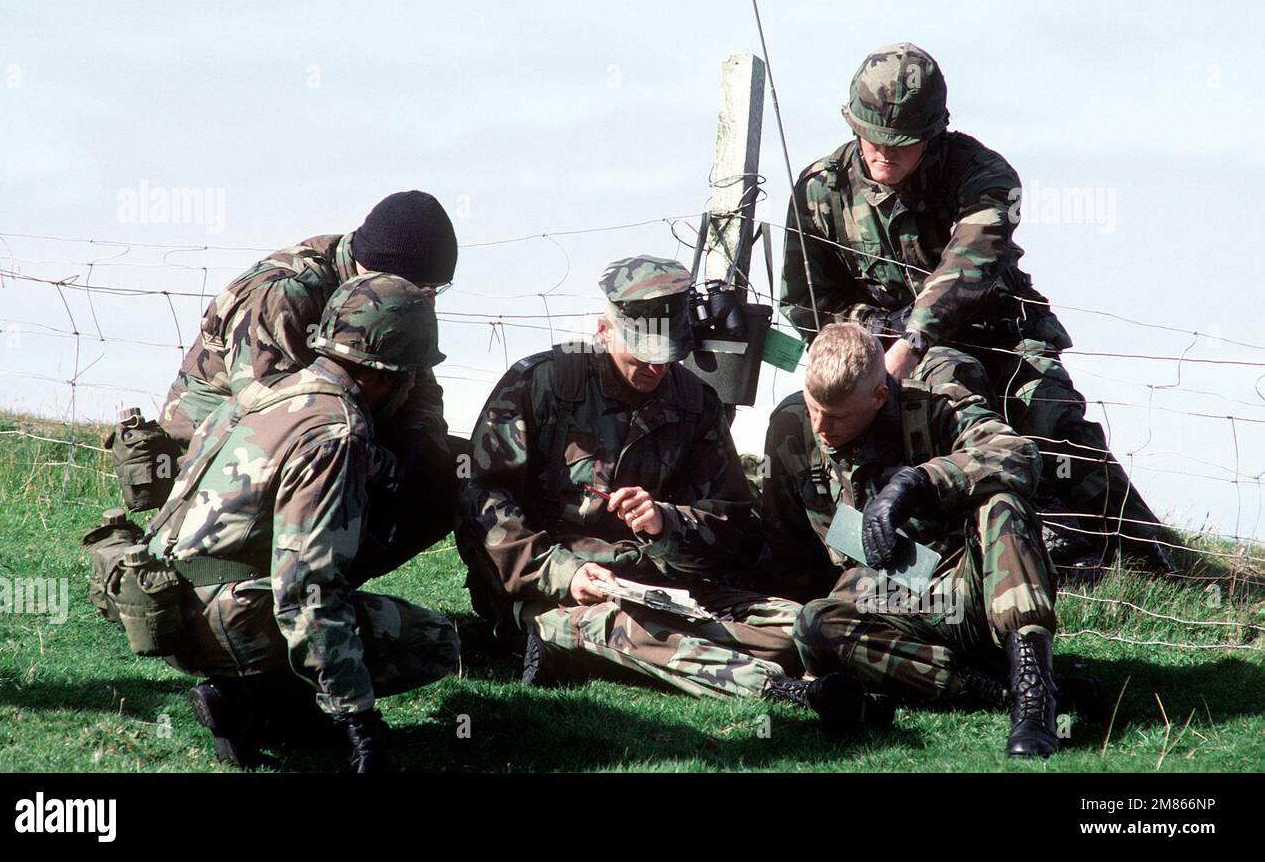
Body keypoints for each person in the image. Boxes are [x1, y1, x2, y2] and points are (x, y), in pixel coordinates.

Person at [779, 42, 1174, 574]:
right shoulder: (819, 191)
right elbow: (809, 305)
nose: (883, 155)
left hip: (1002, 335)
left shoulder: (983, 174)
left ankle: (1152, 559)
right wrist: (873, 336)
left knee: (1052, 417)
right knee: (930, 419)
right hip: (889, 353)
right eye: (871, 139)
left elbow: (970, 266)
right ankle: (956, 558)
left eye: (902, 143)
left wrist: (914, 338)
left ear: (933, 133)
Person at [455, 255, 890, 728]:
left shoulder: (695, 401)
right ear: (603, 329)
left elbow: (729, 521)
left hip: (659, 583)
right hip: (551, 591)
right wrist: (566, 573)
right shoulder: (542, 383)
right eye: (640, 351)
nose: (653, 367)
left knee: (797, 628)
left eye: (666, 354)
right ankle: (791, 693)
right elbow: (481, 499)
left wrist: (666, 522)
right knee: (628, 629)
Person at [129, 274, 460, 770]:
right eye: (411, 374)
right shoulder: (336, 431)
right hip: (228, 621)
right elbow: (307, 587)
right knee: (436, 643)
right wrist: (360, 723)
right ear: (387, 372)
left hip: (163, 609)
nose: (413, 386)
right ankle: (255, 702)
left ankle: (247, 701)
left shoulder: (265, 391)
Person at [770, 322, 1061, 756]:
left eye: (838, 416)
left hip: (969, 593)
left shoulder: (932, 406)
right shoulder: (792, 428)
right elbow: (785, 543)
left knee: (1002, 504)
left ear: (879, 396)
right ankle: (983, 689)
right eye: (814, 408)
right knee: (814, 623)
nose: (822, 426)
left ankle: (1035, 699)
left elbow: (1019, 456)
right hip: (889, 606)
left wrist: (920, 481)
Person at [159, 190, 461, 582]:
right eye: (423, 290)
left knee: (453, 469)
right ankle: (289, 590)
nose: (429, 303)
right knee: (355, 466)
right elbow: (272, 414)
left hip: (330, 433)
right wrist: (382, 463)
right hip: (224, 459)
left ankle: (328, 585)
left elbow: (415, 377)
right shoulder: (285, 292)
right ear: (382, 270)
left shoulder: (388, 295)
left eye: (436, 291)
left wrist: (422, 442)